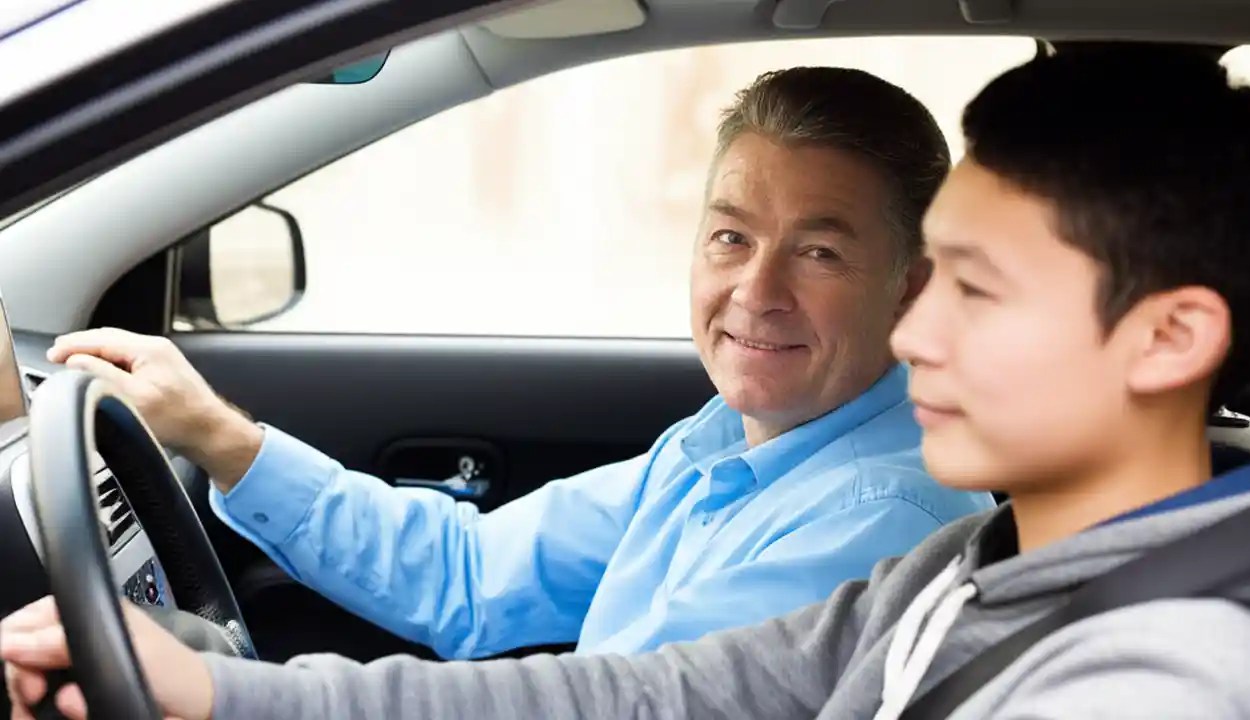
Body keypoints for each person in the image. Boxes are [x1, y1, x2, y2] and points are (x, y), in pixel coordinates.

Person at [10, 44, 1250, 720]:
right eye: (931, 274)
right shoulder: (977, 560)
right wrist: (220, 690)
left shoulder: (1153, 682)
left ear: (1166, 341)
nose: (920, 332)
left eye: (972, 289)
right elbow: (638, 694)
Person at [31, 67, 992, 661]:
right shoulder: (729, 446)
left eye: (819, 253)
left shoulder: (879, 518)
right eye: (732, 237)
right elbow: (470, 574)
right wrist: (221, 441)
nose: (757, 289)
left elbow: (609, 707)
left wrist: (220, 694)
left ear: (910, 288)